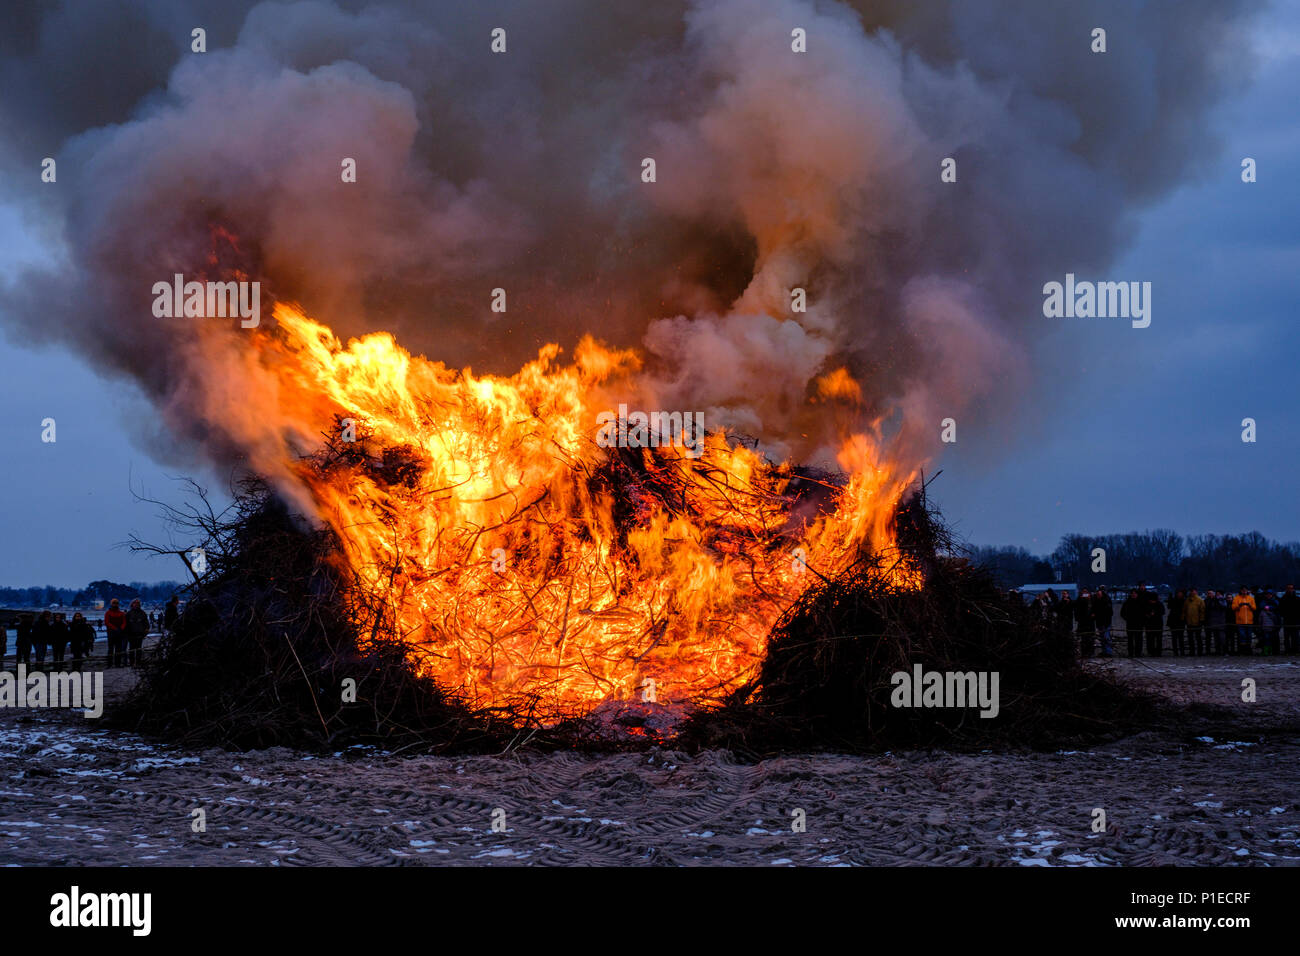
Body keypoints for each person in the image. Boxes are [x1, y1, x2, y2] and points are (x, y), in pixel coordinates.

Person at [1139, 583, 1164, 656]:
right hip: (1149, 624)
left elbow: (1162, 612)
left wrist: (1154, 614)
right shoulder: (1147, 604)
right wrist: (1148, 615)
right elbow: (1144, 612)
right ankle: (1151, 652)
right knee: (1150, 639)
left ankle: (1158, 652)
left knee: (1158, 639)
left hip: (1158, 624)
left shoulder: (1159, 604)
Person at [1231, 586, 1256, 655]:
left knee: (1249, 636)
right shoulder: (1236, 598)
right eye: (1243, 590)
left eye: (1245, 590)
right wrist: (1239, 606)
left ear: (1247, 591)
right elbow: (1233, 608)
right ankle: (1242, 650)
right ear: (1240, 591)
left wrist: (1250, 606)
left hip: (1249, 621)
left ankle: (1249, 650)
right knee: (1242, 636)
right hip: (1240, 621)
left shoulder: (1251, 598)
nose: (1244, 591)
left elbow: (1254, 608)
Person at [125, 598, 149, 667]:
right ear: (132, 604)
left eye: (138, 603)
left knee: (139, 649)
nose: (137, 604)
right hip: (131, 634)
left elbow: (146, 623)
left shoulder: (143, 613)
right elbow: (126, 625)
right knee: (131, 649)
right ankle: (132, 663)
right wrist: (127, 634)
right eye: (135, 603)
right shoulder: (128, 614)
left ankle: (138, 662)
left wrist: (146, 631)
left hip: (140, 634)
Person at [104, 598, 128, 668]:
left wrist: (121, 628)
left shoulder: (121, 613)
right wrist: (115, 628)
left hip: (119, 632)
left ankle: (118, 663)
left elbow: (124, 622)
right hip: (111, 633)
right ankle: (109, 664)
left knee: (118, 649)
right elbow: (107, 622)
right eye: (114, 603)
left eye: (116, 603)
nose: (115, 604)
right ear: (111, 604)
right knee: (110, 649)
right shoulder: (108, 613)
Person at [1075, 588, 1097, 657]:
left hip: (1090, 622)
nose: (1085, 594)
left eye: (1086, 592)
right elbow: (1076, 610)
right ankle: (1084, 653)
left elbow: (1096, 609)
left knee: (1091, 638)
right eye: (1083, 592)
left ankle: (1091, 653)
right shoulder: (1079, 600)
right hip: (1082, 622)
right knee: (1083, 639)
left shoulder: (1092, 600)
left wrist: (1094, 614)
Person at [1184, 588, 1206, 656]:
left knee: (1198, 637)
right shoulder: (1187, 600)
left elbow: (1202, 611)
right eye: (1191, 591)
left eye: (1194, 591)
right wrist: (1184, 619)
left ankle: (1200, 652)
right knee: (1190, 638)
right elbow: (1184, 610)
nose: (1192, 593)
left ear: (1196, 592)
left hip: (1197, 622)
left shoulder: (1200, 600)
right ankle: (1192, 651)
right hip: (1189, 622)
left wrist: (1201, 620)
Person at [1279, 584, 1300, 655]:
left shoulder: (1297, 599)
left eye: (1291, 588)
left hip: (1295, 620)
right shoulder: (1283, 599)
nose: (1290, 590)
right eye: (1288, 588)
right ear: (1286, 589)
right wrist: (1284, 615)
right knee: (1286, 637)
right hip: (1287, 620)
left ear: (1293, 589)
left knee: (1295, 637)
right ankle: (1287, 650)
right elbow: (1280, 609)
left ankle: (1296, 650)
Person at [1120, 588, 1142, 657]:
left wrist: (1142, 620)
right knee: (1130, 639)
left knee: (1138, 639)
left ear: (1137, 594)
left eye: (1135, 593)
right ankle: (1130, 653)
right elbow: (1122, 613)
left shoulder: (1141, 602)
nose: (1133, 594)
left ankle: (1138, 653)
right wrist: (1126, 618)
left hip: (1139, 623)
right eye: (1132, 593)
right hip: (1130, 623)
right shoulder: (1127, 602)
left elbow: (1144, 612)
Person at [1167, 589, 1187, 656]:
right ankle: (1175, 652)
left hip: (1181, 620)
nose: (1179, 594)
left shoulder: (1184, 600)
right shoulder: (1173, 600)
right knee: (1174, 638)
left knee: (1181, 637)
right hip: (1173, 621)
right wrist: (1170, 598)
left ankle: (1182, 652)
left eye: (1180, 593)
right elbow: (1169, 606)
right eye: (1178, 593)